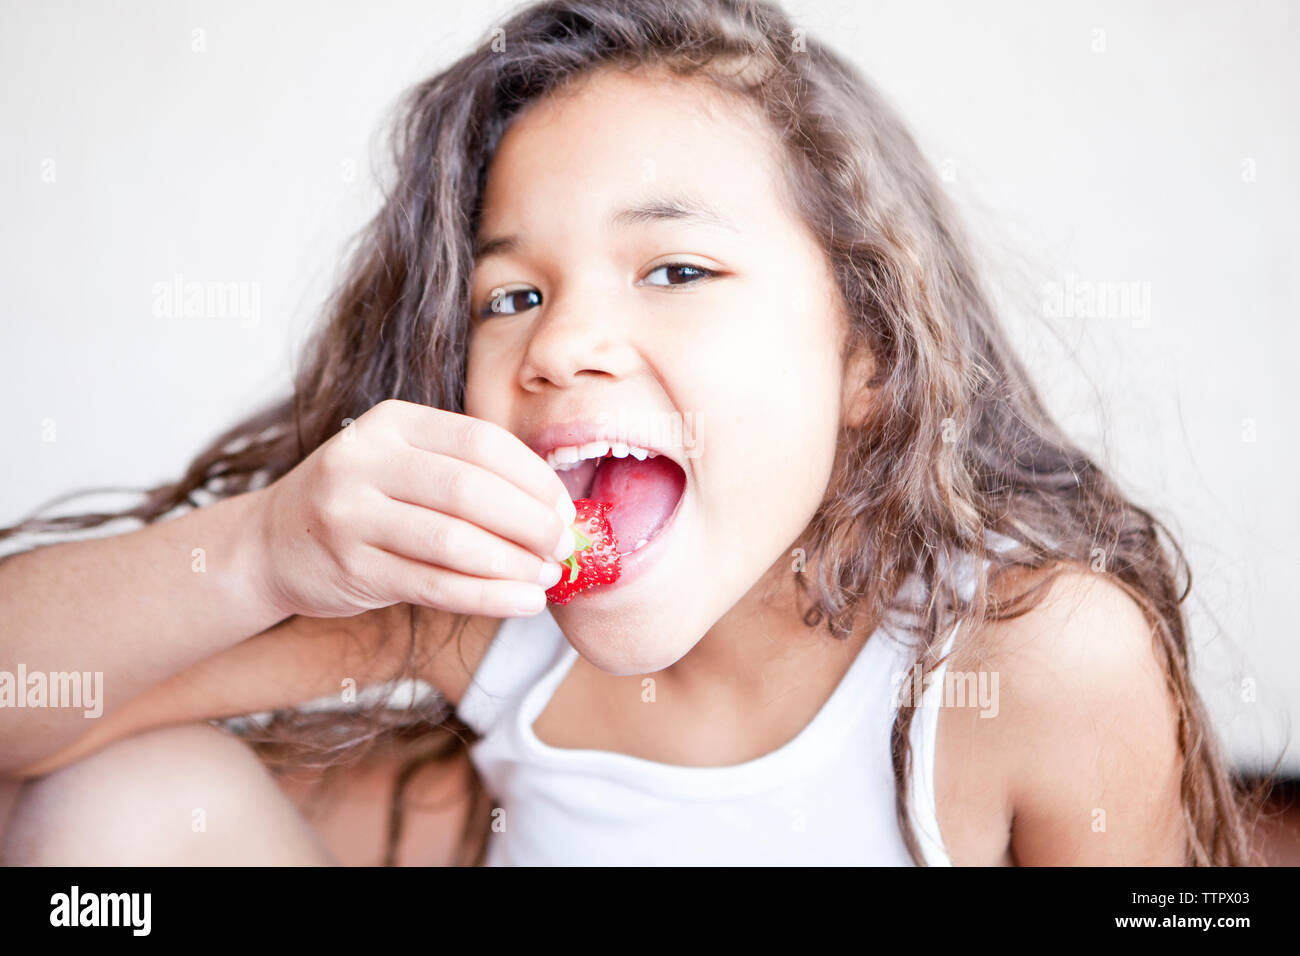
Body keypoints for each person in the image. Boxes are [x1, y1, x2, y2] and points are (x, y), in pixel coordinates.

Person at [0, 0, 1268, 866]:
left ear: (867, 359)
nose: (557, 345)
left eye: (672, 268)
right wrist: (262, 549)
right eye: (510, 297)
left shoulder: (1030, 659)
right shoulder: (473, 615)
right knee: (121, 800)